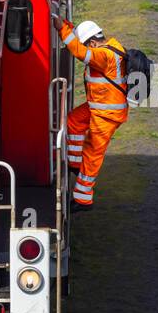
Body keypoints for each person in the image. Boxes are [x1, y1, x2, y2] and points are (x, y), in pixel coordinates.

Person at [57, 18, 129, 211]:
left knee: (92, 153)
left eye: (87, 45)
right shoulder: (111, 48)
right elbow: (82, 46)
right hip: (98, 106)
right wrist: (66, 25)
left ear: (93, 43)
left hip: (107, 114)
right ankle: (75, 165)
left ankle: (83, 199)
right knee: (73, 121)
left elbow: (81, 53)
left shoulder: (103, 56)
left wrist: (62, 30)